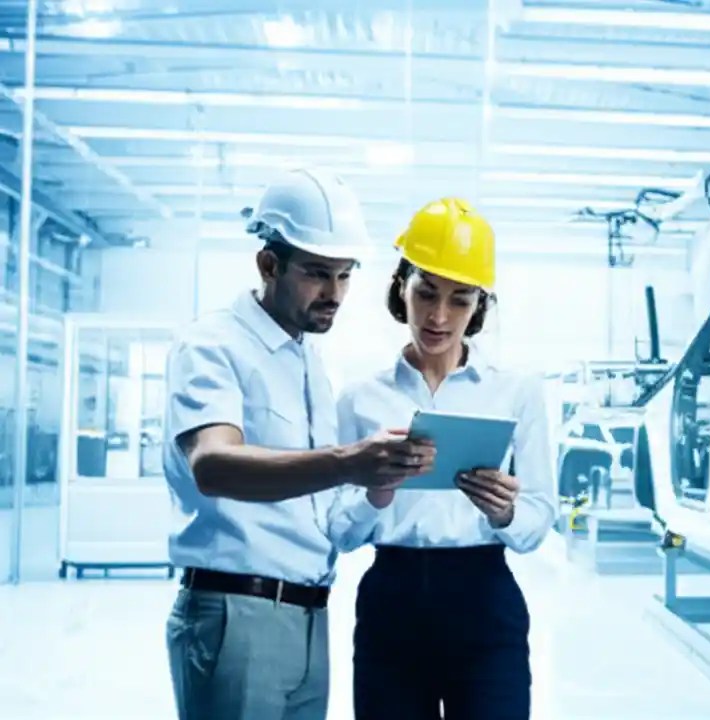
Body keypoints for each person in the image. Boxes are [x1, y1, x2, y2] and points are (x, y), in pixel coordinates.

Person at [162, 167, 437, 720]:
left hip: (310, 618)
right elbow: (214, 465)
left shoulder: (310, 364)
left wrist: (377, 483)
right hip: (237, 615)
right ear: (269, 265)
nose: (333, 294)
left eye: (344, 276)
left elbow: (326, 518)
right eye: (316, 273)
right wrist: (347, 462)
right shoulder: (213, 345)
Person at [336, 197, 557, 719]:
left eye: (460, 300)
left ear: (480, 305)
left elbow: (536, 523)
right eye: (426, 293)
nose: (439, 316)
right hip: (392, 601)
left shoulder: (516, 394)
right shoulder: (360, 399)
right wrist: (376, 492)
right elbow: (340, 533)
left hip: (485, 603)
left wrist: (504, 511)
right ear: (401, 288)